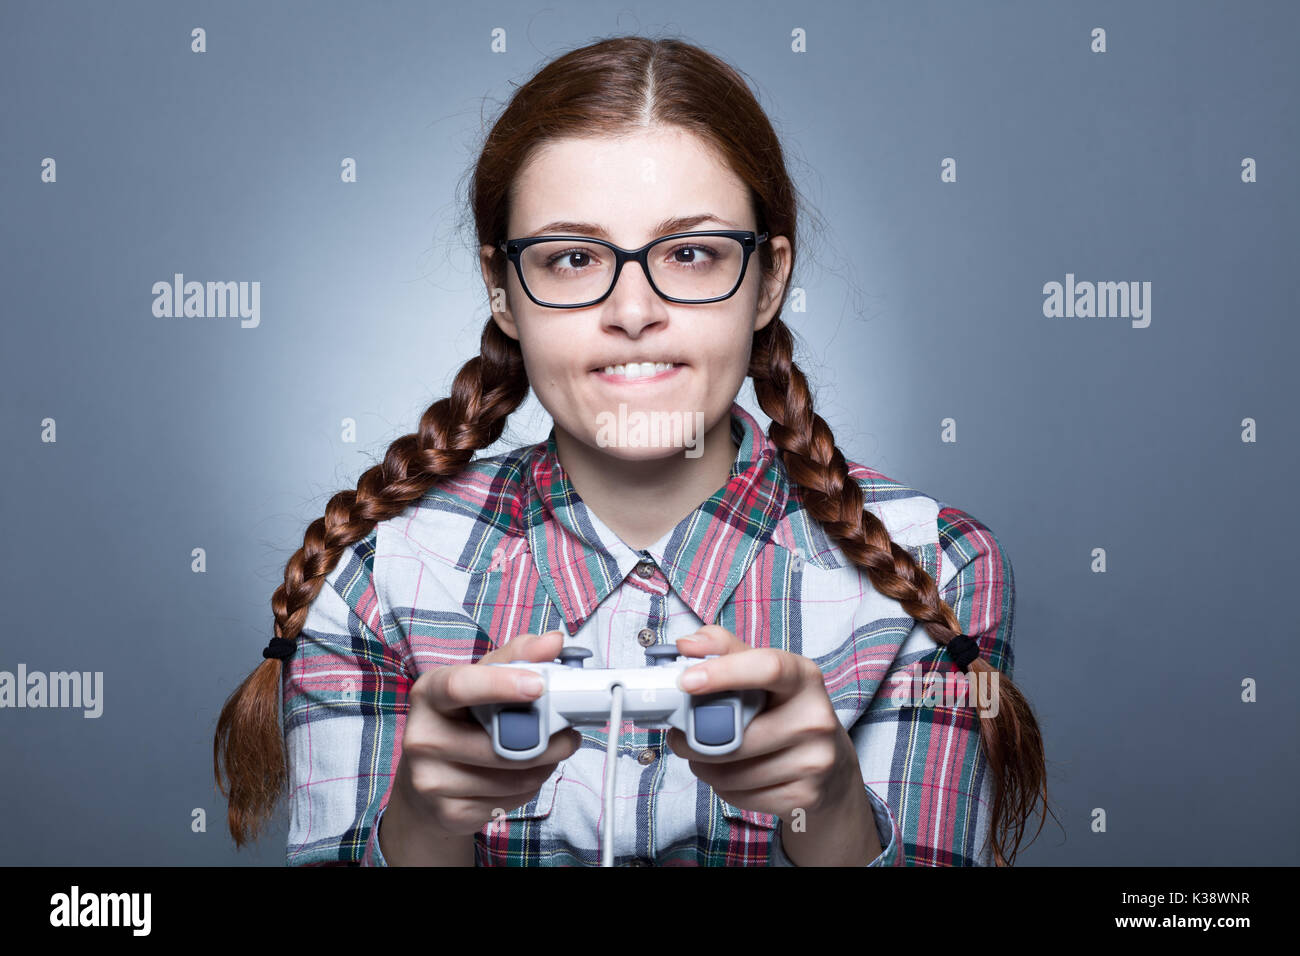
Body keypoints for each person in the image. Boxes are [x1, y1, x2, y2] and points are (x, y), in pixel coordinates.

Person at [214, 33, 1053, 866]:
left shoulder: (935, 566)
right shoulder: (372, 575)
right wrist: (425, 830)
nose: (633, 310)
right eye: (574, 258)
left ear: (768, 280)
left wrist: (831, 813)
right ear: (503, 293)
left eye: (689, 254)